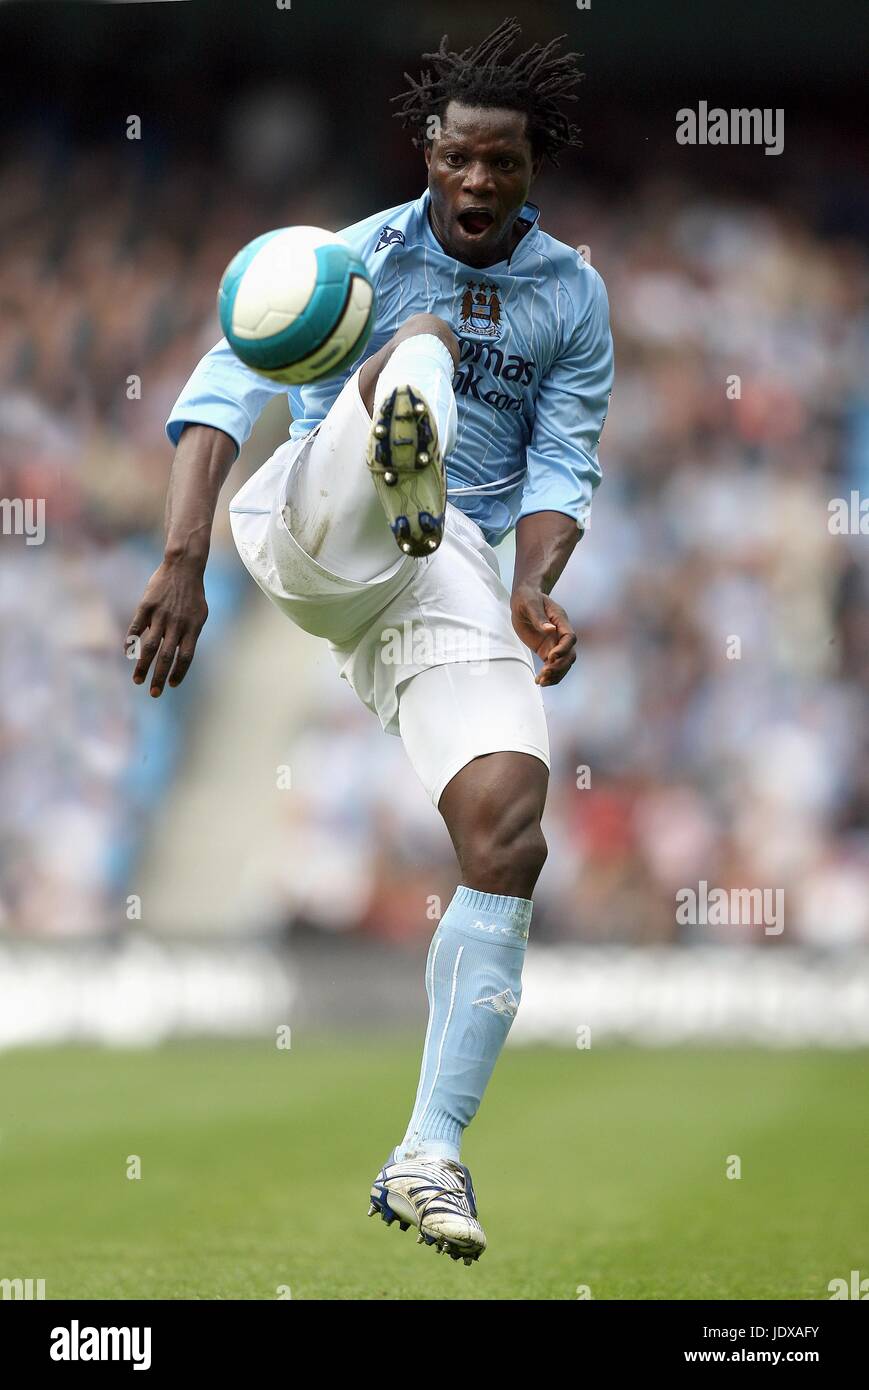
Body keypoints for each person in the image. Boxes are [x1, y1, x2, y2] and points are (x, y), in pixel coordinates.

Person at [127, 18, 613, 1266]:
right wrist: (182, 565)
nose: (472, 182)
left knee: (510, 828)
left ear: (531, 164)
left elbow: (565, 461)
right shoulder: (348, 256)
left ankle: (427, 1152)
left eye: (499, 164)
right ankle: (409, 452)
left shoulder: (572, 294)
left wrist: (536, 582)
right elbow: (222, 393)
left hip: (444, 568)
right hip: (313, 515)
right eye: (454, 157)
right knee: (422, 343)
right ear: (429, 150)